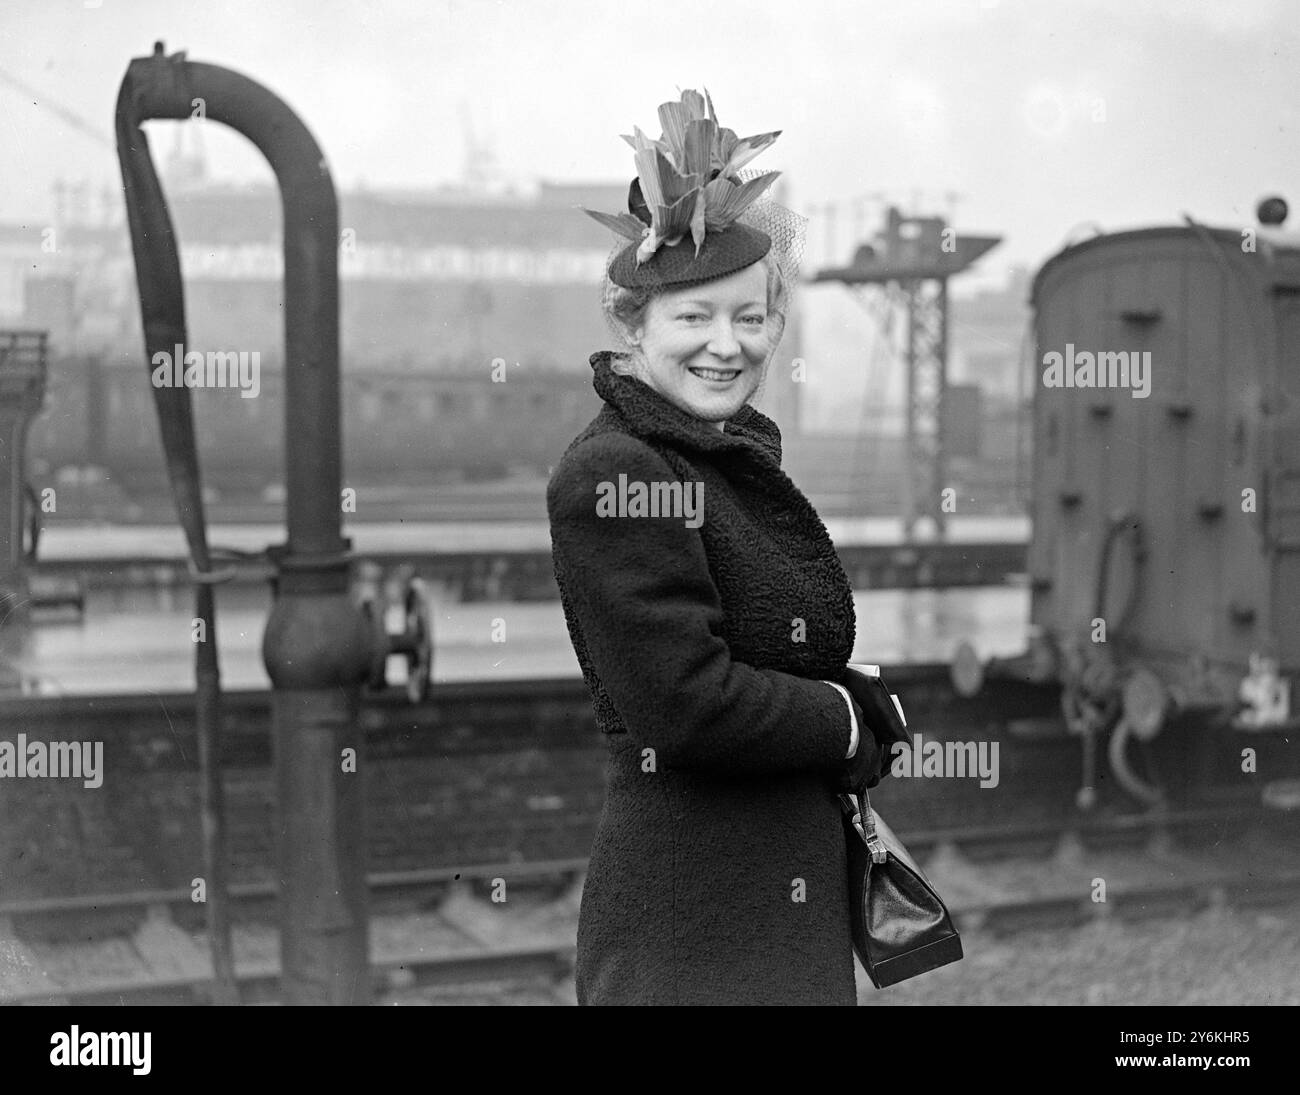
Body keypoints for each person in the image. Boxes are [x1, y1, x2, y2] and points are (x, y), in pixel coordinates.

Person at [546, 89, 883, 1006]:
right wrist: (847, 717)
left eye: (749, 318)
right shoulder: (614, 473)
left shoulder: (713, 459)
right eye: (692, 318)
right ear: (634, 325)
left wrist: (839, 693)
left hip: (771, 913)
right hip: (690, 927)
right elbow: (689, 705)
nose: (725, 346)